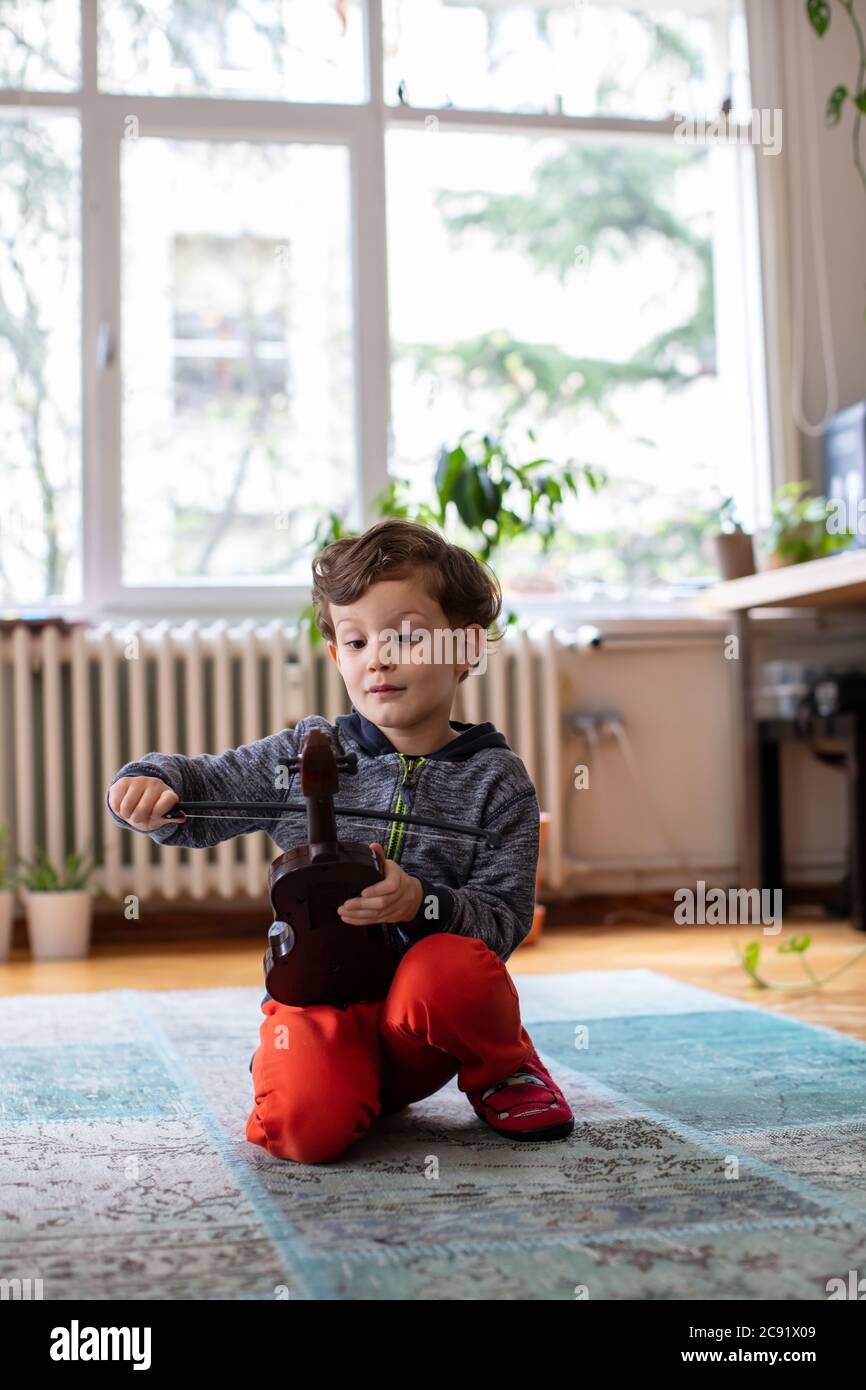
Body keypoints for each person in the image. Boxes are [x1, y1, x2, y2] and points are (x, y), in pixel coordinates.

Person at [106, 518, 574, 1163]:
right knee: (303, 1131)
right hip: (322, 999)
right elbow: (206, 784)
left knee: (454, 967)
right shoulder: (305, 751)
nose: (375, 657)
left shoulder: (498, 780)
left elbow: (502, 922)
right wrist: (149, 782)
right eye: (355, 642)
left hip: (425, 1027)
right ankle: (317, 1070)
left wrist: (420, 902)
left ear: (467, 648)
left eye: (404, 636)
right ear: (337, 657)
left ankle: (504, 1067)